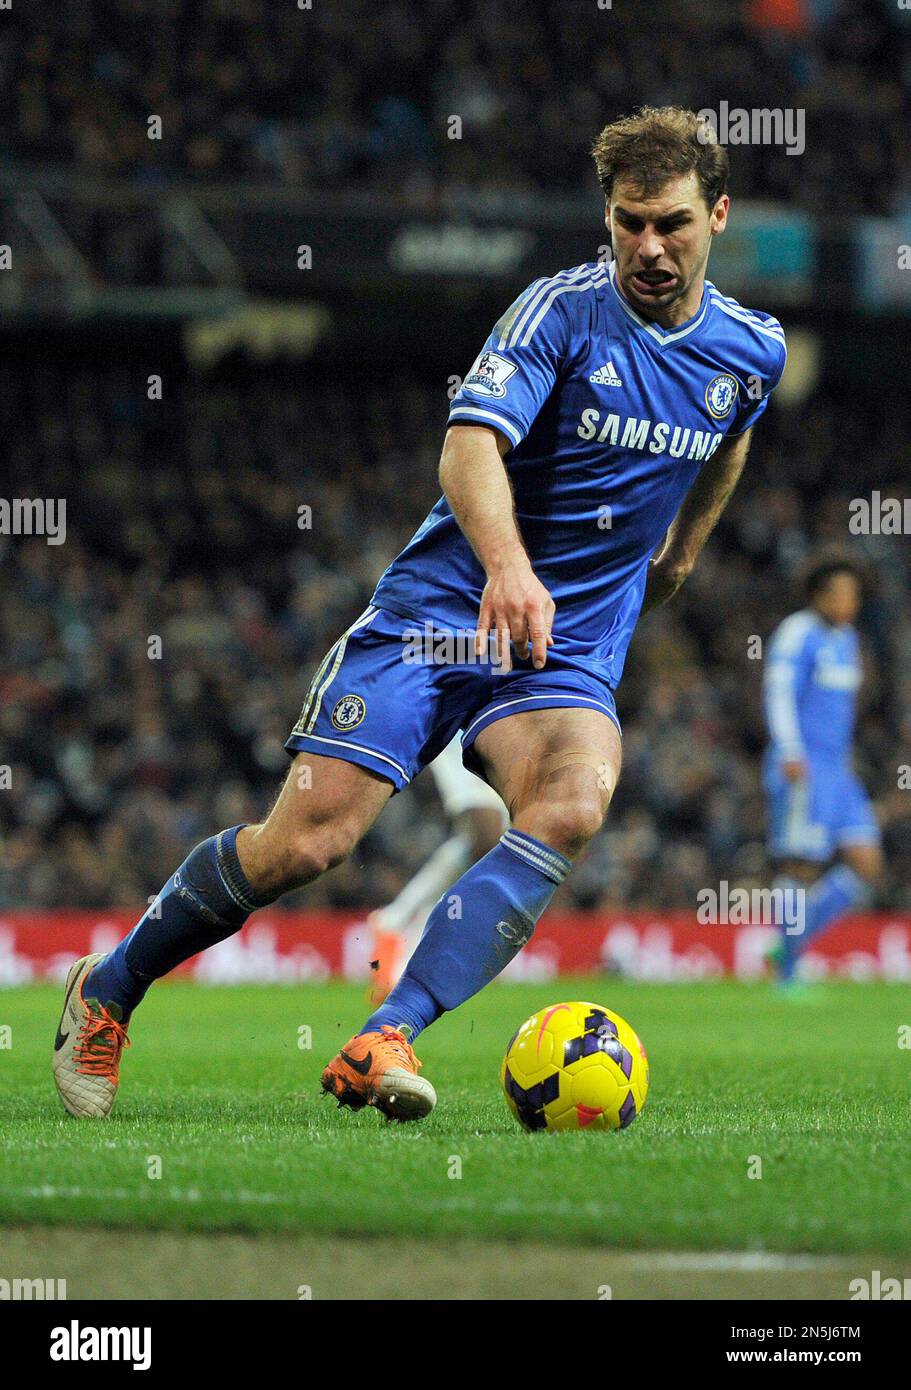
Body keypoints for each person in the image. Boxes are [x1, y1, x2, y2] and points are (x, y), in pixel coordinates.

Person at [54, 105, 786, 1123]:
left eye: (668, 223)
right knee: (305, 846)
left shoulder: (750, 350)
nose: (647, 247)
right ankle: (112, 985)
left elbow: (734, 432)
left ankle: (385, 1031)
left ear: (716, 214)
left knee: (570, 801)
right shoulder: (556, 315)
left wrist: (684, 551)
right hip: (440, 613)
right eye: (627, 224)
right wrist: (508, 567)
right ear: (605, 218)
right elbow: (468, 446)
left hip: (561, 649)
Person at [763, 555, 882, 985]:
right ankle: (788, 971)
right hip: (804, 764)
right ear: (818, 596)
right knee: (801, 866)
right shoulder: (798, 632)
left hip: (838, 770)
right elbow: (778, 692)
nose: (848, 602)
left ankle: (787, 946)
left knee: (867, 862)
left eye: (853, 594)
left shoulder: (847, 638)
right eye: (839, 593)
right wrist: (790, 749)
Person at [366, 734, 508, 1005]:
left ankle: (395, 926)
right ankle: (396, 923)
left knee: (486, 840)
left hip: (501, 722)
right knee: (485, 833)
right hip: (463, 724)